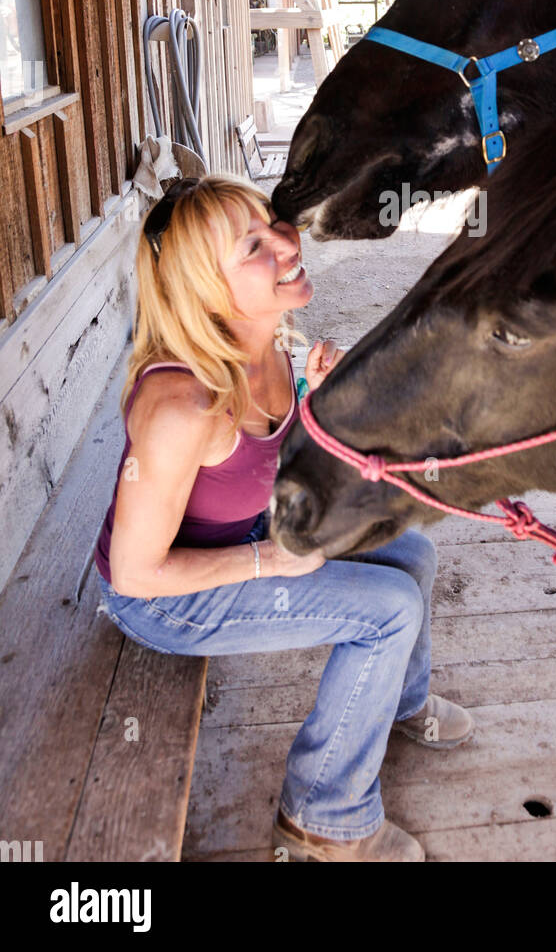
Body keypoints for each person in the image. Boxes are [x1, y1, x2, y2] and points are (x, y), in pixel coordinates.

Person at [93, 174, 473, 863]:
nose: (287, 242)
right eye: (253, 246)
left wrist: (318, 408)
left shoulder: (268, 346)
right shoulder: (182, 407)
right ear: (207, 289)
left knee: (411, 555)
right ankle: (324, 818)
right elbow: (134, 572)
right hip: (164, 599)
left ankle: (400, 703)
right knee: (385, 611)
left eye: (273, 223)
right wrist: (271, 560)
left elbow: (265, 470)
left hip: (241, 540)